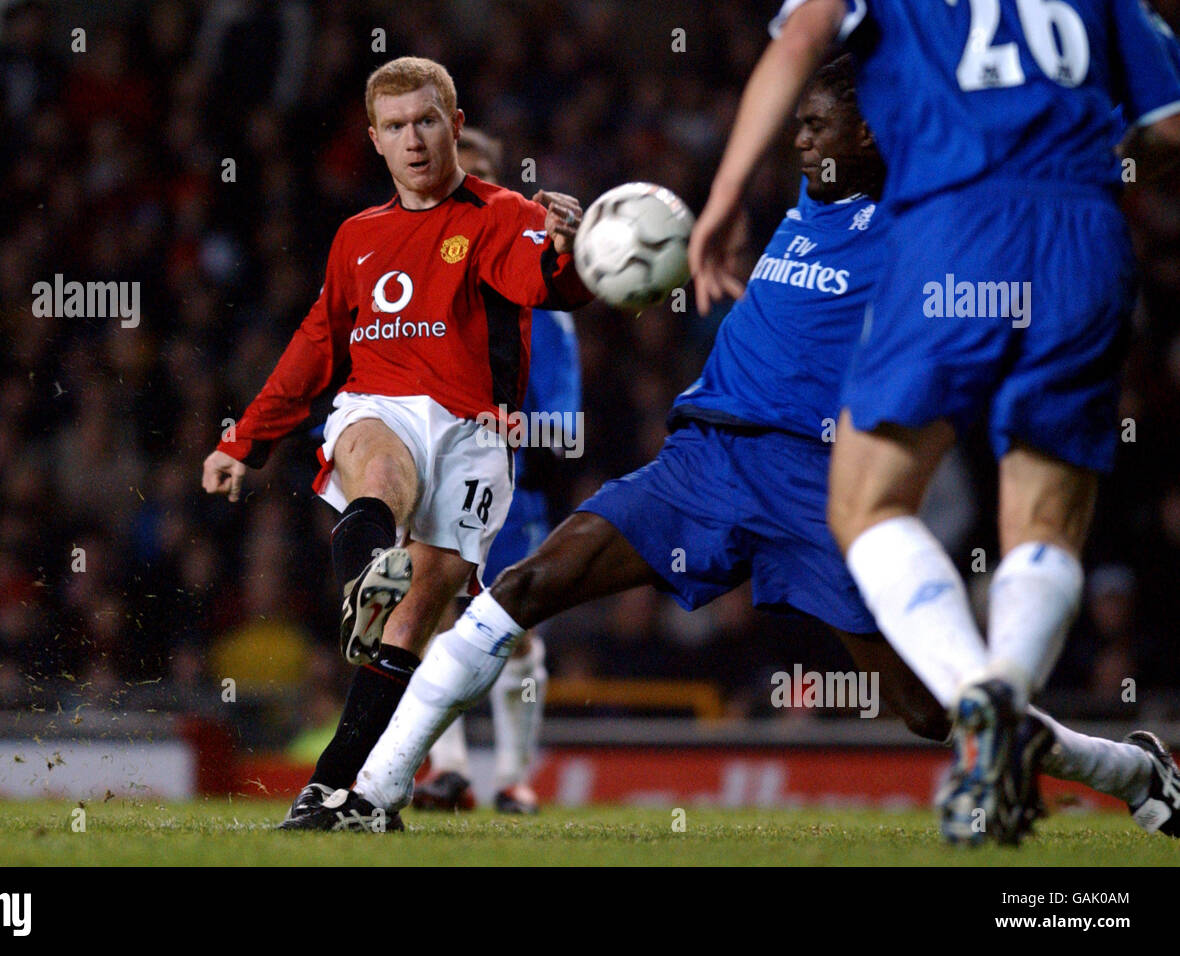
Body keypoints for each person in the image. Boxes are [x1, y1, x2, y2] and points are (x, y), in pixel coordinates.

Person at [287, 57, 1180, 835]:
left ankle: (1130, 770)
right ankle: (374, 787)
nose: (798, 142)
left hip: (820, 485)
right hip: (704, 461)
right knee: (524, 587)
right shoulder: (810, 198)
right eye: (796, 125)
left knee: (927, 710)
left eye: (815, 128)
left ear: (871, 136)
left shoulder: (924, 224)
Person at [688, 0, 1180, 844]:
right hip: (1083, 235)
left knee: (868, 503)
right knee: (1045, 517)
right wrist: (1104, 170)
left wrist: (728, 191)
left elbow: (802, 34)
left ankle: (980, 703)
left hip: (954, 227)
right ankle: (1006, 692)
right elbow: (1168, 130)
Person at [199, 56, 591, 829]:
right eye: (396, 126)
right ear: (374, 140)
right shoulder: (357, 237)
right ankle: (364, 579)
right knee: (378, 466)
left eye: (426, 121)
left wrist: (567, 245)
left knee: (416, 623)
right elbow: (318, 343)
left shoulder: (501, 213)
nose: (413, 139)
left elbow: (549, 287)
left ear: (454, 123)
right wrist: (245, 440)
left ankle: (341, 789)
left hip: (476, 436)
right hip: (380, 404)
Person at [402, 128, 581, 816]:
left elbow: (563, 424)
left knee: (512, 629)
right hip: (429, 481)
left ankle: (513, 778)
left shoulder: (540, 300)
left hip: (508, 489)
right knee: (429, 615)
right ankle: (447, 771)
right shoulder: (417, 286)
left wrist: (493, 428)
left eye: (478, 180)